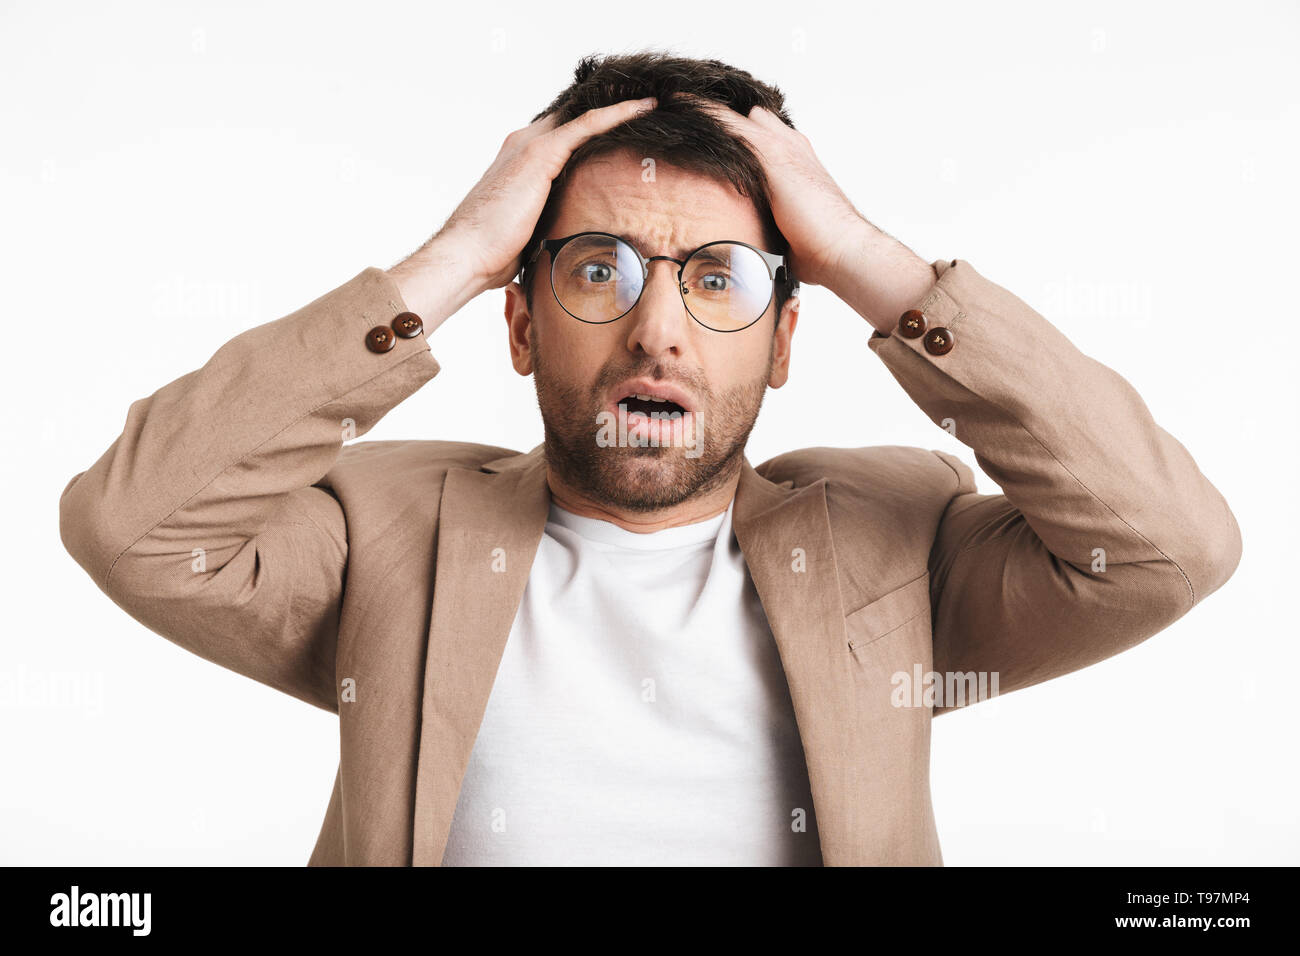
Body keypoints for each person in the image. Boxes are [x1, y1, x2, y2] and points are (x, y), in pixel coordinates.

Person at [59, 51, 1242, 866]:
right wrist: (459, 254)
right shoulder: (383, 532)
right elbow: (134, 525)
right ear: (519, 323)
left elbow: (1166, 547)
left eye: (717, 278)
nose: (658, 329)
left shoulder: (895, 542)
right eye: (595, 268)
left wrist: (867, 258)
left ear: (786, 341)